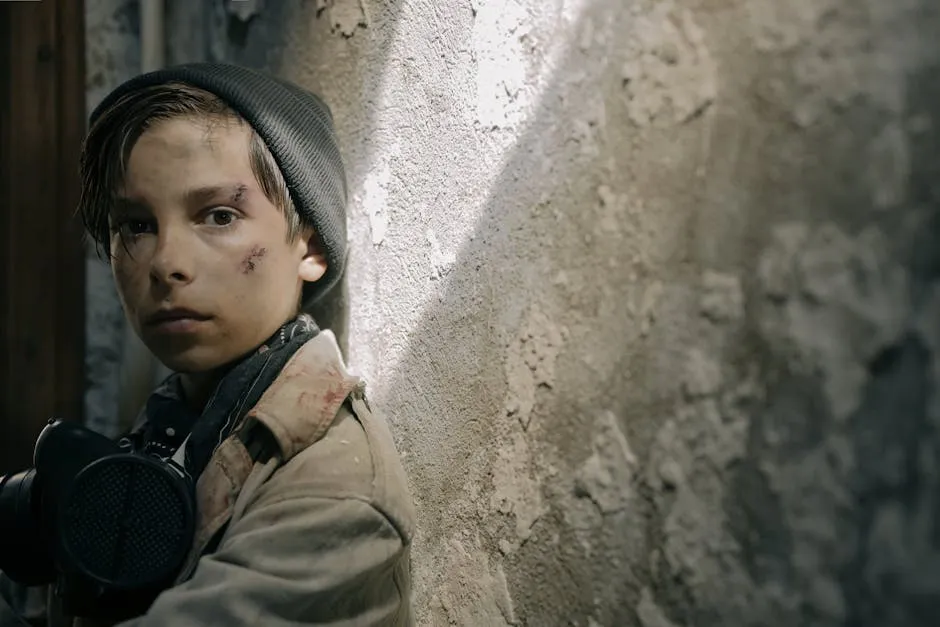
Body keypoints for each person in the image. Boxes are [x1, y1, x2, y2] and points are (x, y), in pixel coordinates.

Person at [0, 63, 415, 626]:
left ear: (309, 247)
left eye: (219, 216)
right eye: (136, 225)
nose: (167, 263)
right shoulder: (183, 420)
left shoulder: (333, 494)